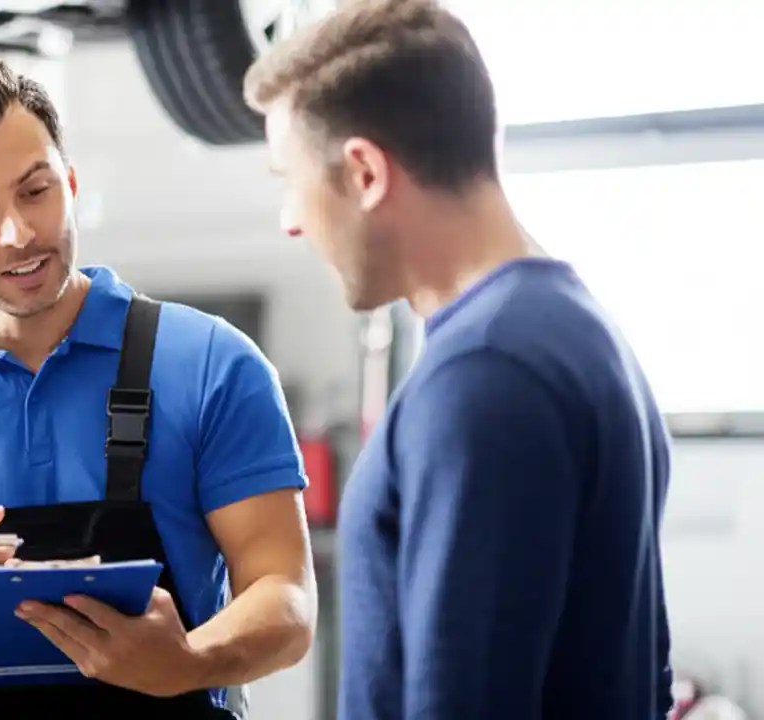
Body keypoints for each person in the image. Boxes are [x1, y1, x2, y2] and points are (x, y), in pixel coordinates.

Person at [0, 52, 317, 719]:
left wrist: (187, 663)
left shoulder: (211, 363)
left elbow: (286, 596)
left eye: (35, 190)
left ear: (70, 182)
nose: (20, 233)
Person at [242, 1, 673, 719]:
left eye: (289, 178)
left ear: (364, 173)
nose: (290, 218)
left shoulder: (485, 375)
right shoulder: (577, 333)